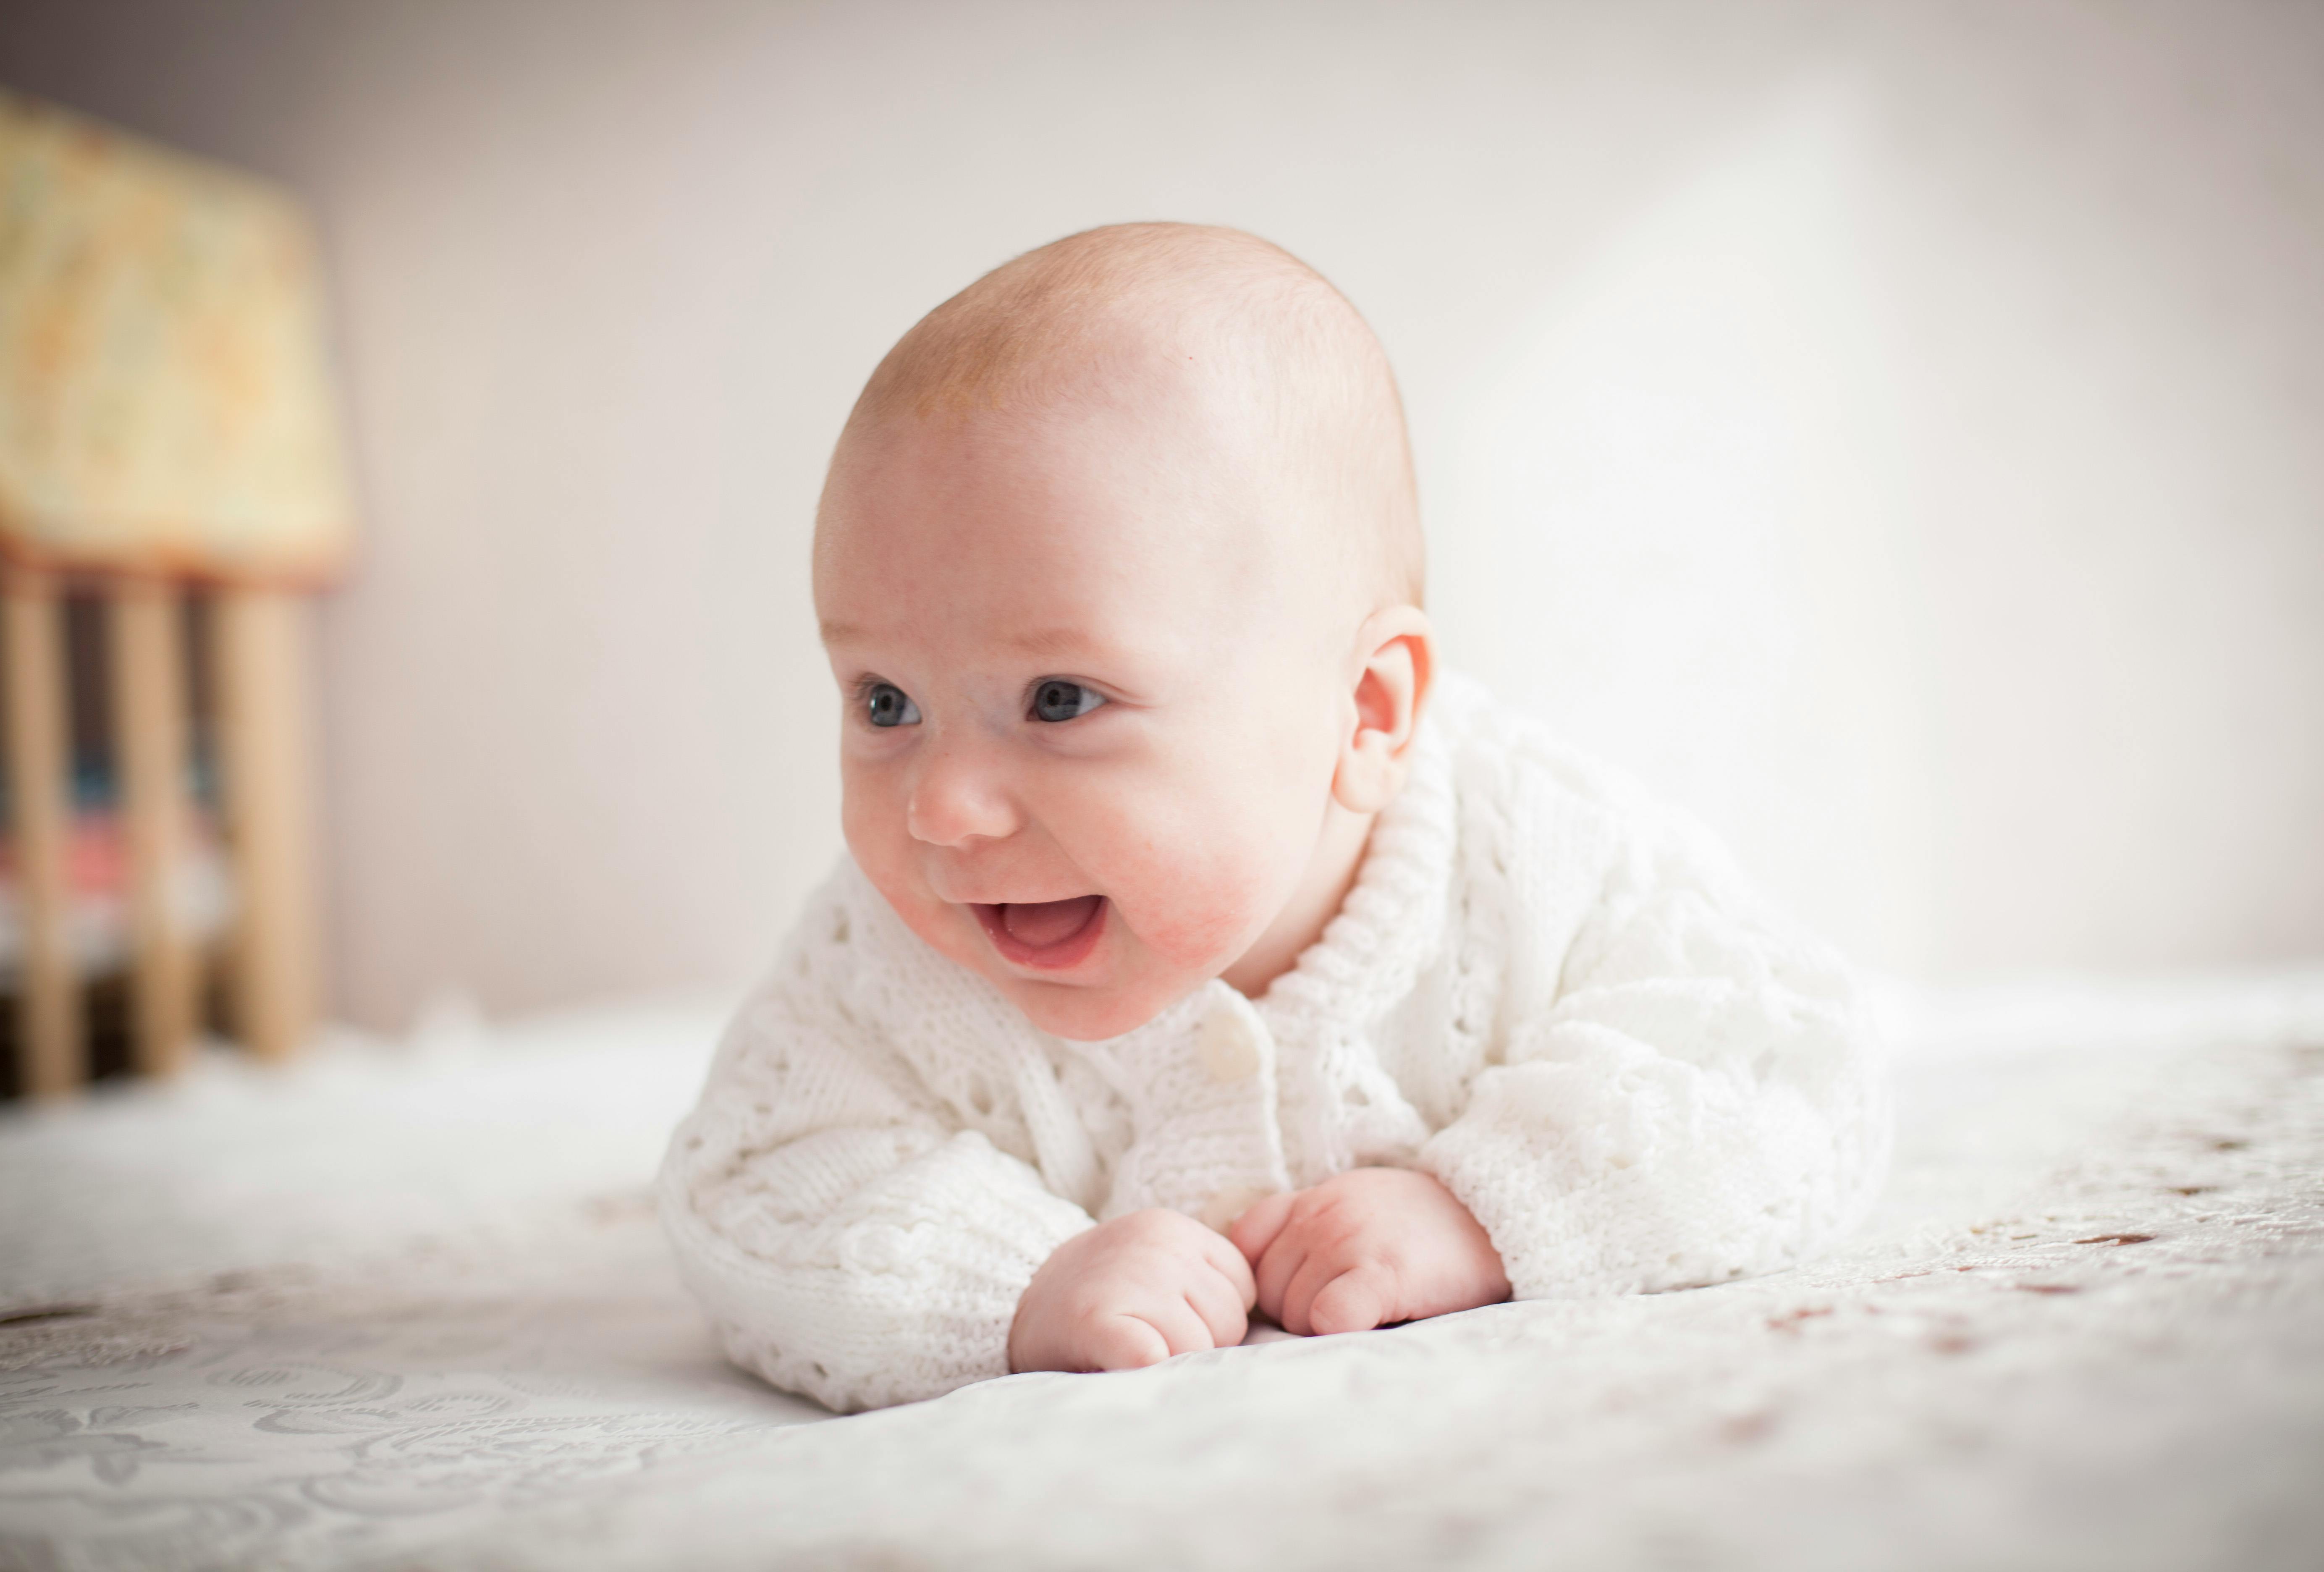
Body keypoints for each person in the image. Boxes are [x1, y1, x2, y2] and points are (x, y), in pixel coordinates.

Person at [656, 222, 1888, 1413]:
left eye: (1060, 699)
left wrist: (1487, 1209)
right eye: (886, 700)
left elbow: (1785, 1061)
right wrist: (1016, 1280)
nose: (943, 807)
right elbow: (752, 1179)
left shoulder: (1536, 851)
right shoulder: (893, 947)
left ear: (1363, 711)